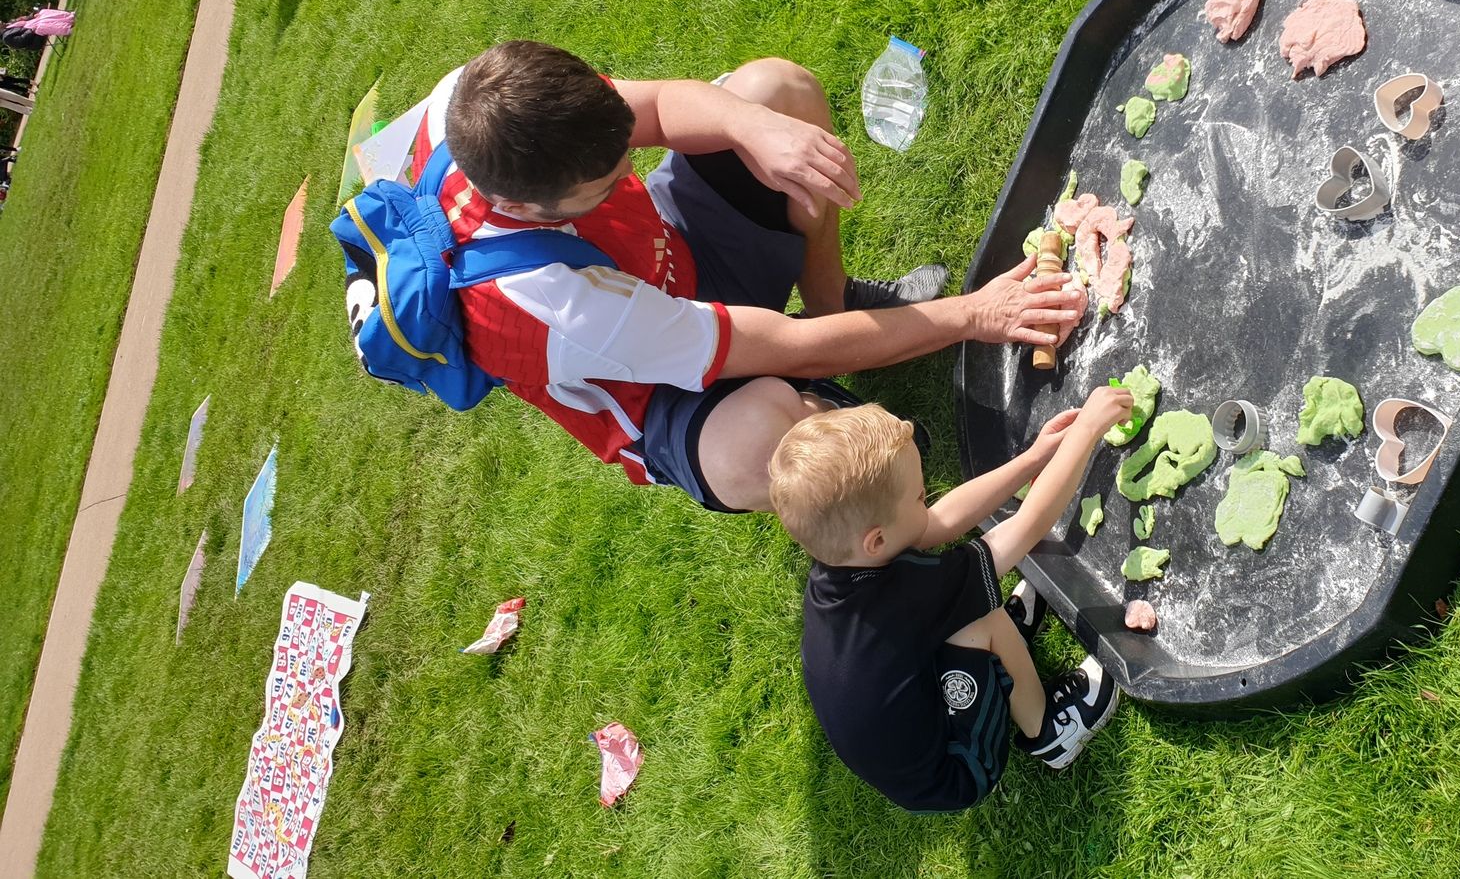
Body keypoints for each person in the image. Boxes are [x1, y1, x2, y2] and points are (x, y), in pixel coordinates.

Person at [364, 40, 1082, 513]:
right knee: (762, 436)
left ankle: (834, 299)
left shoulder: (482, 95)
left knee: (779, 91)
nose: (628, 174)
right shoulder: (552, 309)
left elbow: (659, 108)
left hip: (678, 261)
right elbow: (789, 346)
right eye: (609, 180)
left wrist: (755, 129)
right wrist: (975, 314)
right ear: (524, 207)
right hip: (665, 391)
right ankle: (847, 457)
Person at [768, 384, 1133, 812]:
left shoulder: (843, 564)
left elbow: (937, 522)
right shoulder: (902, 602)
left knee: (964, 595)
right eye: (920, 495)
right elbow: (1027, 527)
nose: (929, 500)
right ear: (876, 539)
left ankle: (996, 659)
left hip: (909, 712)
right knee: (979, 615)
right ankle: (1049, 731)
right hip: (952, 769)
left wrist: (1035, 458)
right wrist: (1087, 430)